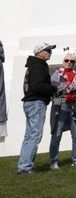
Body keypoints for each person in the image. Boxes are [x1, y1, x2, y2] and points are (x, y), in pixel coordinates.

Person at [17, 43, 57, 174]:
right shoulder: (39, 65)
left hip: (29, 102)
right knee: (35, 135)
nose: (50, 53)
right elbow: (37, 86)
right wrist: (54, 89)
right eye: (48, 50)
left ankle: (23, 165)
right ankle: (25, 167)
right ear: (40, 52)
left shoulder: (32, 65)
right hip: (36, 102)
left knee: (29, 135)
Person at [48, 48, 76, 168]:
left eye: (72, 61)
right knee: (57, 134)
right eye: (67, 60)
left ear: (75, 63)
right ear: (63, 61)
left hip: (74, 106)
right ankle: (53, 161)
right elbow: (54, 88)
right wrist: (71, 87)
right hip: (60, 106)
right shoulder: (56, 74)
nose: (69, 63)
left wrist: (64, 88)